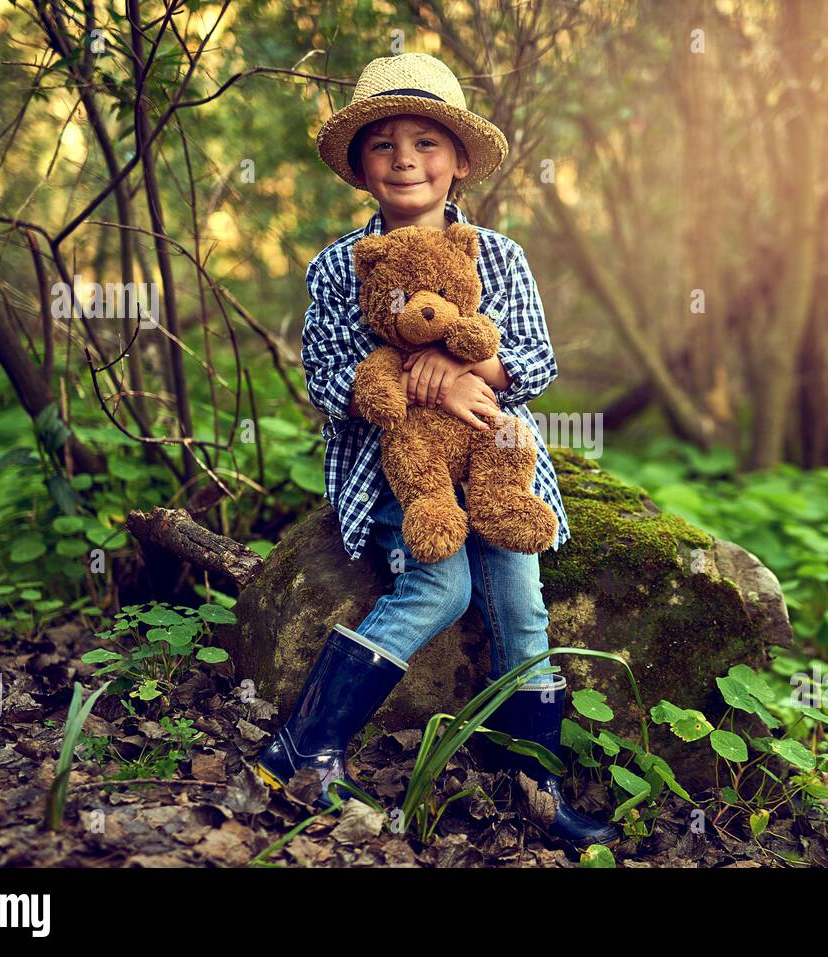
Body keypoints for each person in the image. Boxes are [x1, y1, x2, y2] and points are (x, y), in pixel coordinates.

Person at [254, 52, 621, 850]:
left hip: (498, 455)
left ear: (458, 163)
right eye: (384, 145)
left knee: (522, 605)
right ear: (361, 168)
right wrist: (428, 389)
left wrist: (463, 369)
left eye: (425, 143)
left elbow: (535, 362)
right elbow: (328, 376)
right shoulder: (337, 268)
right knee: (444, 585)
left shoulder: (501, 257)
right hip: (398, 465)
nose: (405, 160)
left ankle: (533, 780)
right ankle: (304, 745)